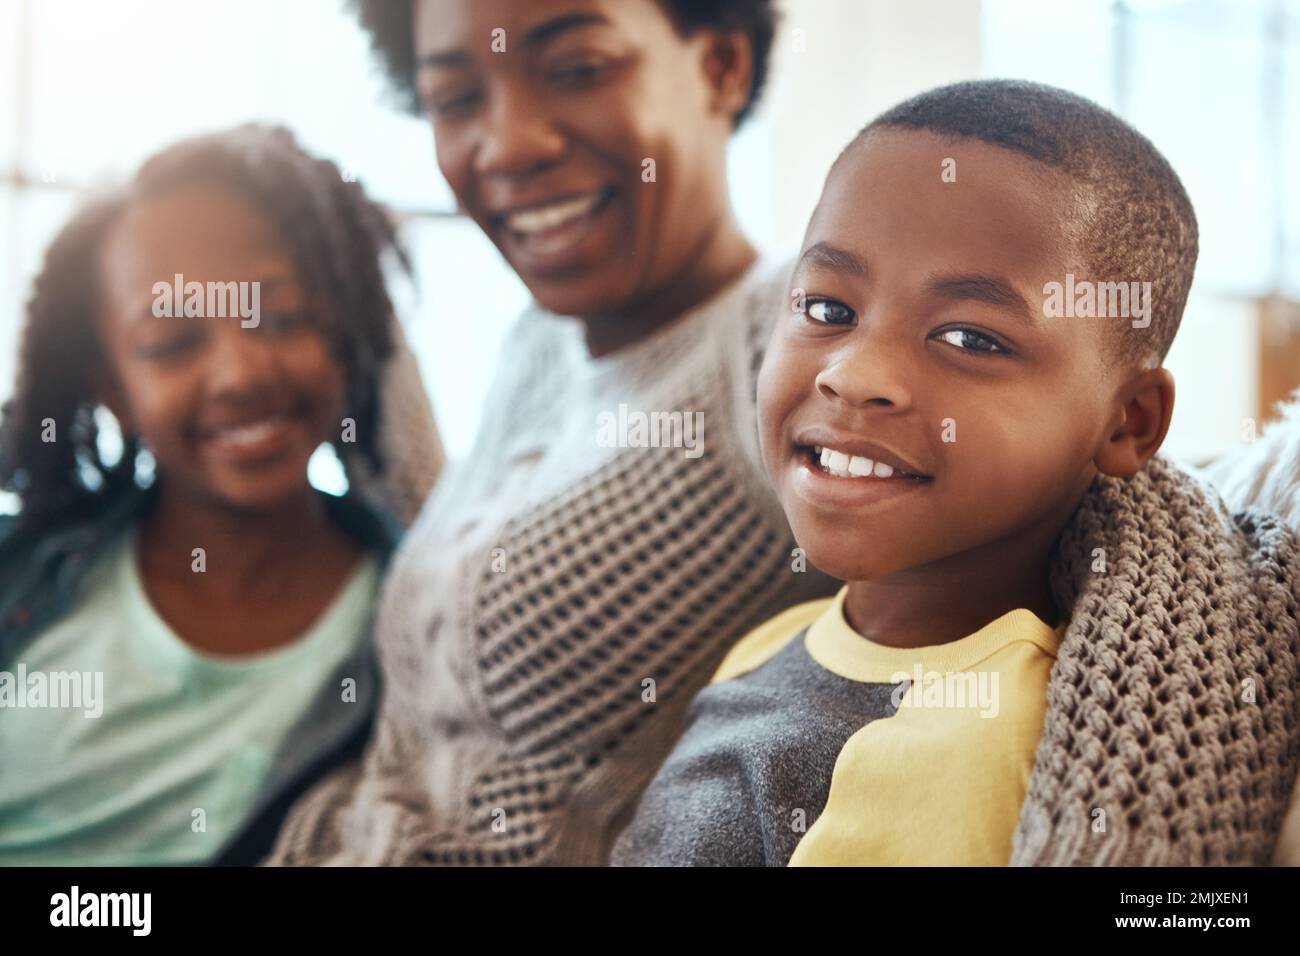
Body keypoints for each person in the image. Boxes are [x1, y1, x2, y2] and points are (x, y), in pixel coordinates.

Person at [611, 80, 1300, 866]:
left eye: (971, 338)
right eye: (830, 310)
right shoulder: (779, 642)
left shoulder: (981, 744)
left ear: (1128, 421)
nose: (854, 373)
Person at [265, 0, 838, 866]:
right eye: (456, 99)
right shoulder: (537, 343)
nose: (508, 144)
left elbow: (1088, 562)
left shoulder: (794, 340)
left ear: (722, 67)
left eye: (575, 70)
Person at [0, 124, 440, 865]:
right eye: (173, 342)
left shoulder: (420, 631)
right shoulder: (24, 576)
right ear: (113, 392)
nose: (239, 373)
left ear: (347, 328)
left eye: (282, 318)